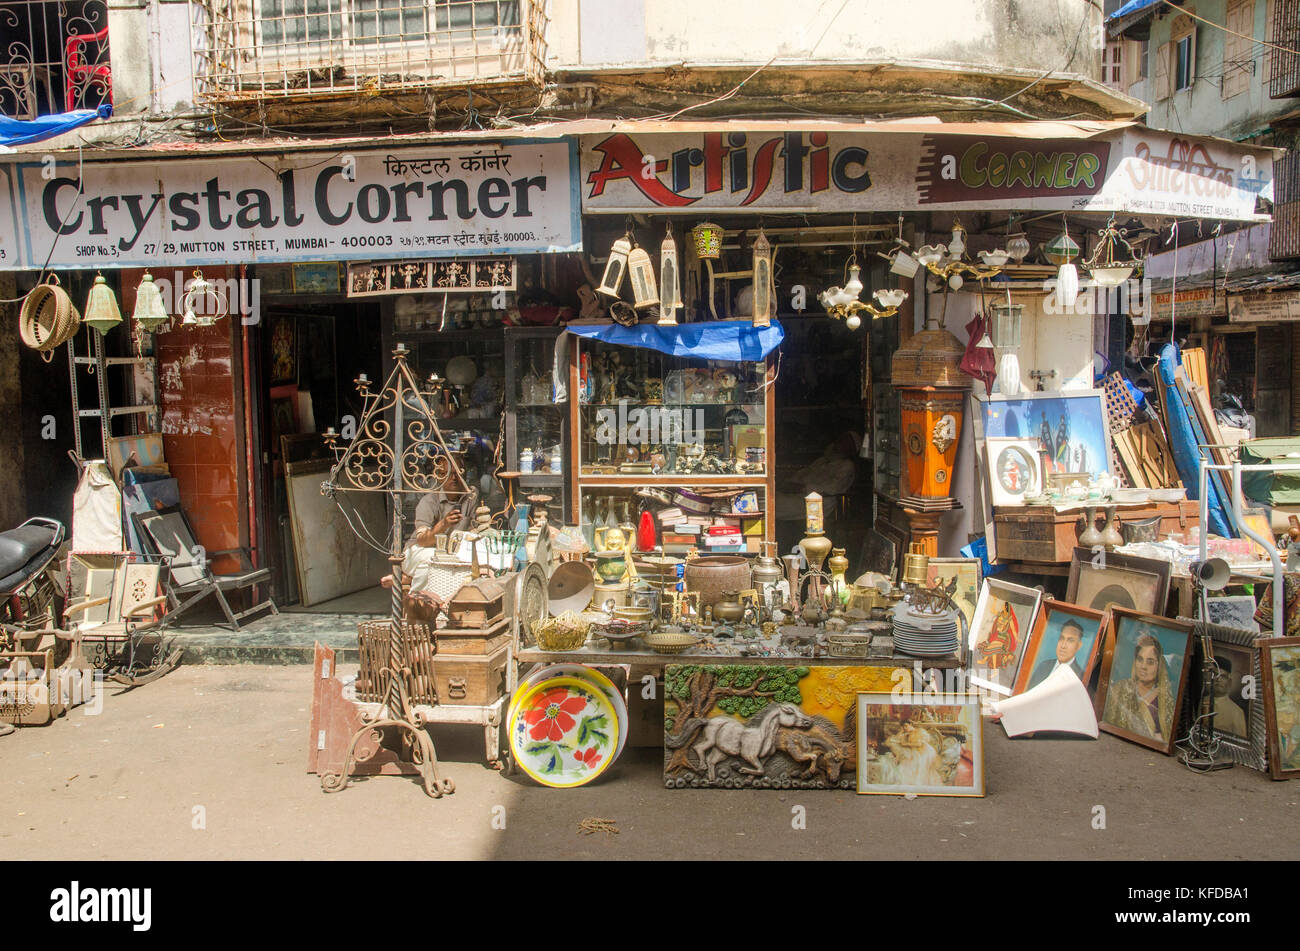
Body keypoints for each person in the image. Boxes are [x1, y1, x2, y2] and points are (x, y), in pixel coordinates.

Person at [381, 493, 463, 618]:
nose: (454, 478)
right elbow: (422, 540)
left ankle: (407, 578)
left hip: (451, 554)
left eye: (458, 474)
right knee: (432, 561)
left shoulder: (471, 497)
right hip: (419, 551)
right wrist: (444, 524)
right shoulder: (429, 501)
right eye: (448, 474)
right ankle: (416, 613)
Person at [1103, 631, 1176, 742]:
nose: (1143, 666)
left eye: (1150, 662)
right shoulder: (1121, 688)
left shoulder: (1164, 698)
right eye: (1140, 659)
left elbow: (1166, 736)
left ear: (1159, 665)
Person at [1027, 618, 1088, 690]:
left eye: (1070, 640)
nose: (1063, 646)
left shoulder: (1080, 677)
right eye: (1062, 638)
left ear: (1079, 646)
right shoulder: (1043, 666)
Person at [884, 721, 944, 787]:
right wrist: (901, 732)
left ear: (911, 724)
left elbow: (919, 744)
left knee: (915, 760)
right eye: (903, 727)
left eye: (906, 726)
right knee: (905, 762)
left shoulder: (920, 731)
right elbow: (896, 739)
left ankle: (917, 783)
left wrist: (906, 744)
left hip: (925, 751)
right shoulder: (907, 733)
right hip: (915, 751)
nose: (905, 728)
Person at [1211, 653, 1248, 740]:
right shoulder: (1201, 701)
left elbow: (1240, 743)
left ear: (1230, 682)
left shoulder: (1237, 712)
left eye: (1223, 676)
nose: (1218, 679)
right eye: (1215, 675)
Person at [978, 601, 1019, 671]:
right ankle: (985, 660)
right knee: (992, 649)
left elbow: (1013, 629)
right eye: (1003, 606)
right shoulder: (1001, 614)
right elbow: (992, 610)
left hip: (1002, 636)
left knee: (994, 649)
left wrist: (1016, 638)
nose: (1002, 607)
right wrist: (994, 601)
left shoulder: (1009, 619)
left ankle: (989, 662)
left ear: (1007, 608)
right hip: (997, 634)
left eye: (1004, 607)